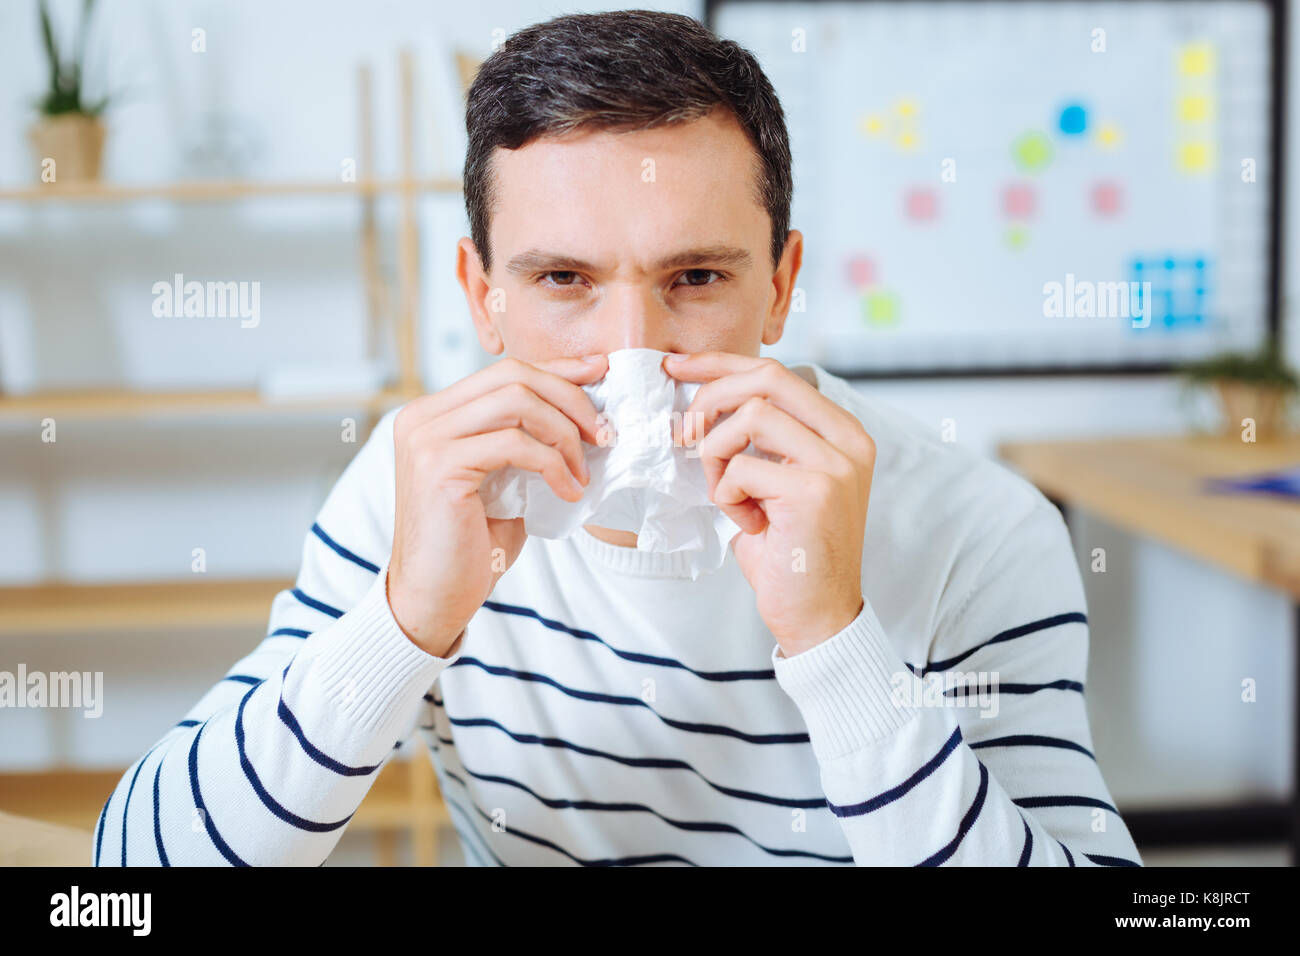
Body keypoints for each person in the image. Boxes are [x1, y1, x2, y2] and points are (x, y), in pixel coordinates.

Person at [95, 9, 1141, 866]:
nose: (628, 351)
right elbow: (129, 877)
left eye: (695, 278)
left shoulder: (974, 528)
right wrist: (406, 618)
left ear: (778, 287)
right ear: (482, 297)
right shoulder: (419, 491)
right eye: (563, 281)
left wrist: (833, 637)